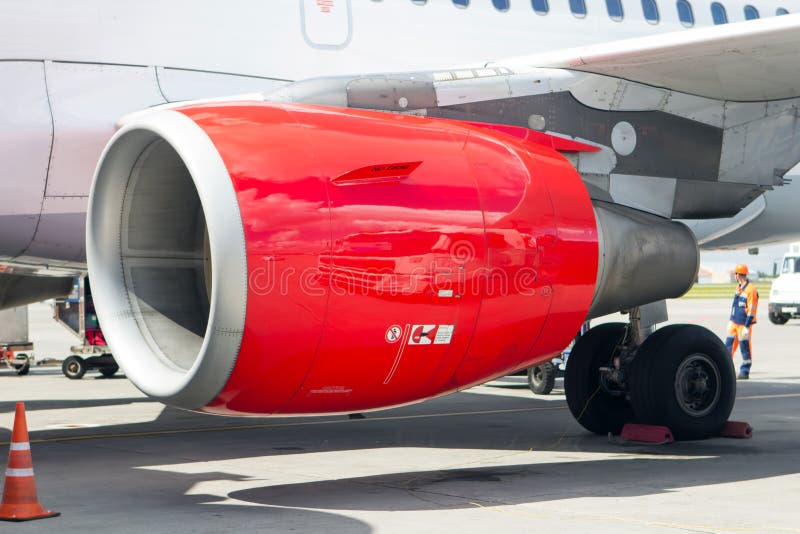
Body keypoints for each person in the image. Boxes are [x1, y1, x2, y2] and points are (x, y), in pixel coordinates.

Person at [725, 263, 758, 379]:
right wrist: (731, 319)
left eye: (735, 274)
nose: (735, 276)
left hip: (743, 325)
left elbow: (752, 309)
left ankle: (745, 371)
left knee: (745, 348)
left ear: (738, 275)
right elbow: (735, 306)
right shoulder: (739, 288)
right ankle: (726, 369)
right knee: (728, 347)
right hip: (734, 323)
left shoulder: (751, 289)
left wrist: (747, 326)